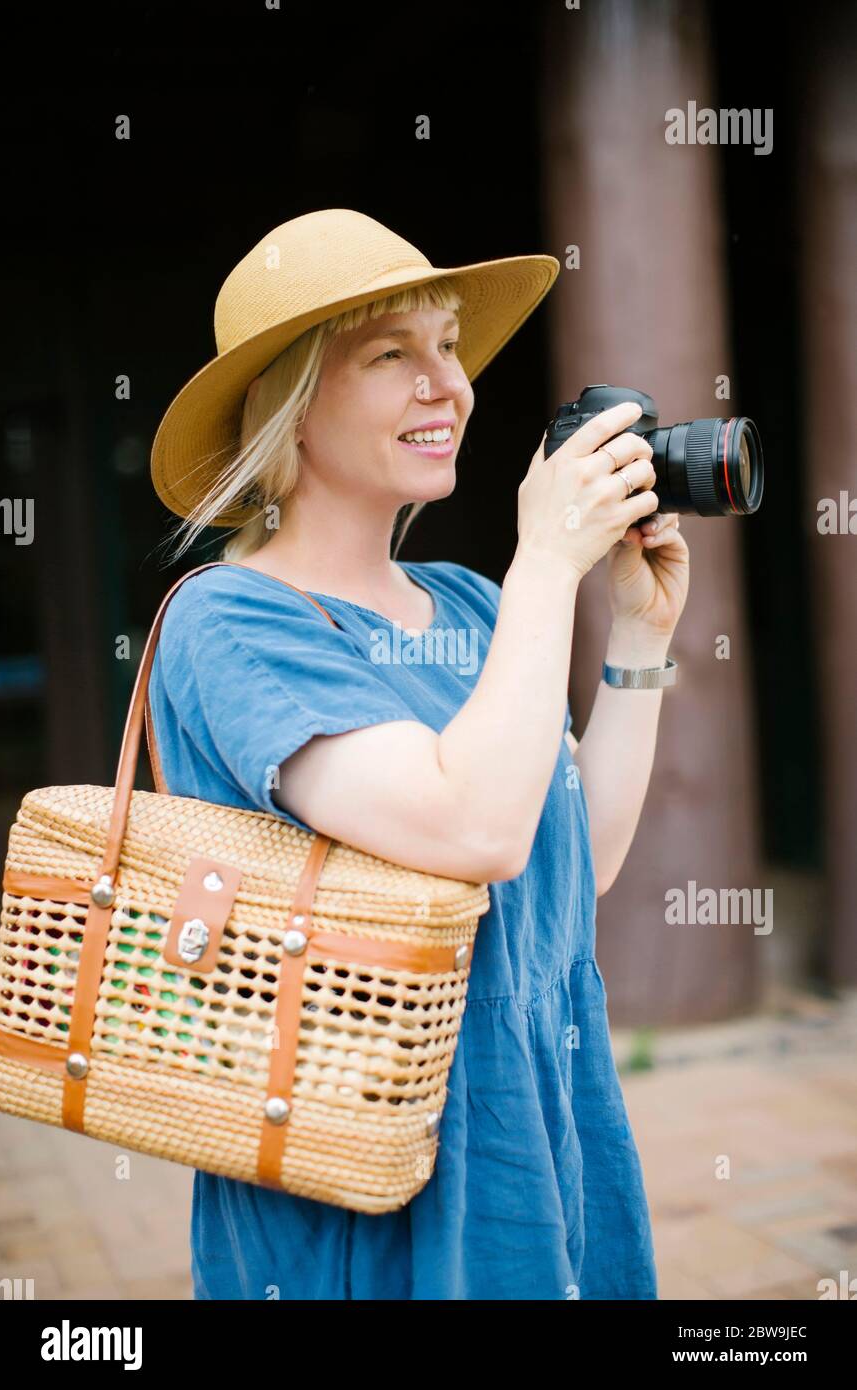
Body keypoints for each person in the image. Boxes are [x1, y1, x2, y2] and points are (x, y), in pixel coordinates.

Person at [147, 208, 689, 1299]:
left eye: (447, 344)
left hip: (539, 1129)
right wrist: (546, 561)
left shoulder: (470, 608)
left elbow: (569, 871)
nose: (448, 384)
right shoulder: (231, 622)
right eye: (392, 354)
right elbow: (473, 830)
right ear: (287, 407)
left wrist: (636, 641)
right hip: (365, 1187)